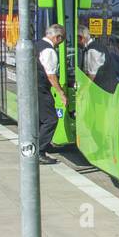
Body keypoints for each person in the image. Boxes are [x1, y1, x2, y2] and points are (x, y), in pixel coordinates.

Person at [35, 24, 67, 164]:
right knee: (51, 119)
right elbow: (51, 75)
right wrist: (61, 93)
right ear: (57, 37)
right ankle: (40, 152)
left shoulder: (37, 45)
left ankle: (38, 147)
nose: (60, 44)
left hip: (32, 88)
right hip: (41, 88)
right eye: (62, 40)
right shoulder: (49, 51)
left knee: (40, 120)